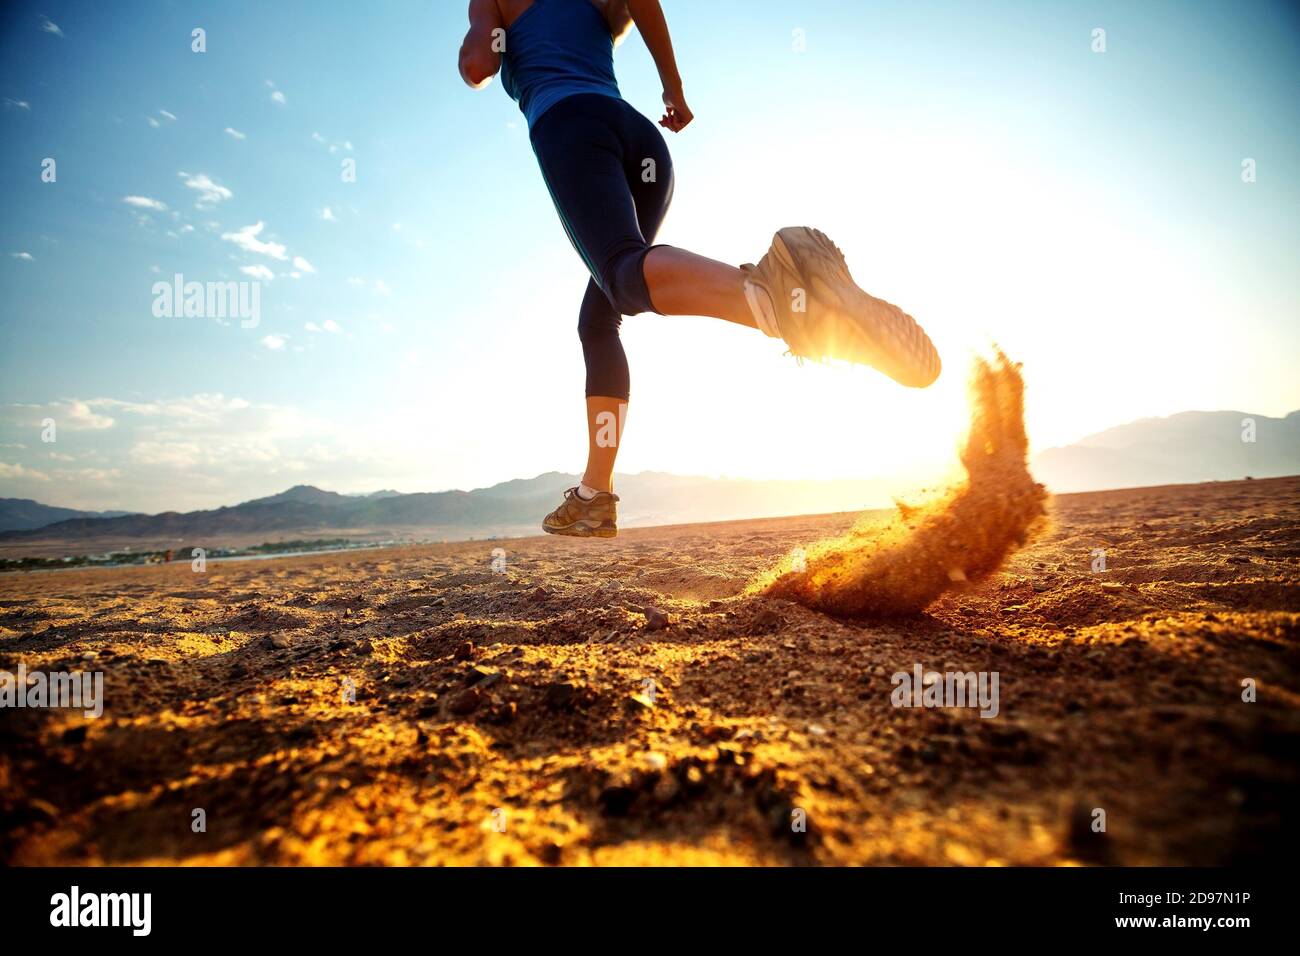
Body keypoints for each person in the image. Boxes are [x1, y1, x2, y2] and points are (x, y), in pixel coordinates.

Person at [459, 0, 940, 537]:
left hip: (570, 126)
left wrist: (480, 37)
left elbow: (479, 65)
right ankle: (595, 494)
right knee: (599, 317)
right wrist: (673, 89)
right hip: (641, 142)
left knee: (622, 274)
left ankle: (776, 294)